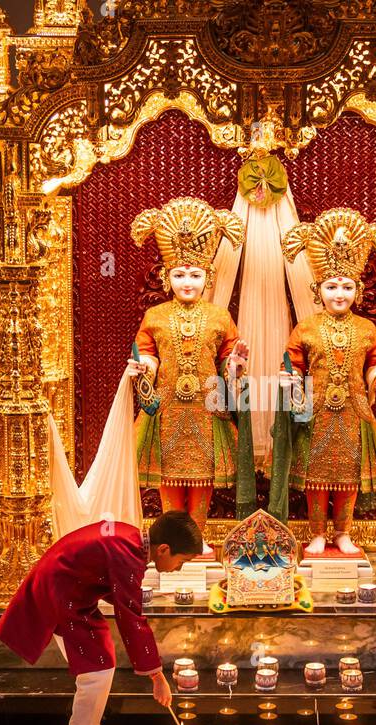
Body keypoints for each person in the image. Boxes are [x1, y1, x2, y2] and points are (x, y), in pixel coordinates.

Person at [0, 511, 201, 725]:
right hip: (60, 595)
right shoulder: (129, 553)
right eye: (181, 562)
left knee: (103, 661)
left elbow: (123, 597)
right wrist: (157, 677)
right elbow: (131, 618)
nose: (178, 569)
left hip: (70, 593)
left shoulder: (131, 541)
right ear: (164, 549)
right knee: (97, 671)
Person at [128, 197, 248, 554]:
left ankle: (196, 539)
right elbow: (146, 352)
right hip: (167, 409)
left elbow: (229, 357)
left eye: (195, 275)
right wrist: (145, 367)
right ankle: (170, 539)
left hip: (207, 407)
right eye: (179, 275)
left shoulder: (219, 317)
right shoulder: (155, 315)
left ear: (207, 277)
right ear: (167, 277)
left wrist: (237, 367)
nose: (187, 282)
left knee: (202, 478)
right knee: (169, 477)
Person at [278, 207, 376, 556]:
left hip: (353, 413)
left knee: (348, 477)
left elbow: (374, 367)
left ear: (358, 289)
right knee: (317, 478)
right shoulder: (306, 327)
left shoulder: (366, 329)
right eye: (331, 286)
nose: (339, 294)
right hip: (315, 414)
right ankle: (317, 532)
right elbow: (293, 366)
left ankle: (343, 531)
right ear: (318, 290)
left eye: (346, 286)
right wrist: (289, 382)